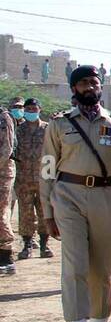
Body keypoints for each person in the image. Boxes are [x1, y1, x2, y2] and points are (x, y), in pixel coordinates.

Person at [38, 65, 111, 322]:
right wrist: (47, 212)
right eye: (83, 83)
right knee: (75, 267)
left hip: (106, 197)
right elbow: (46, 170)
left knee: (101, 267)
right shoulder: (59, 125)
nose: (90, 86)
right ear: (73, 89)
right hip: (68, 197)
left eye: (94, 82)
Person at [14, 98, 52, 261]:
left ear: (39, 109)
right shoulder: (18, 130)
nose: (30, 111)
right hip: (24, 179)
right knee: (26, 214)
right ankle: (27, 245)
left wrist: (51, 179)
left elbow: (52, 154)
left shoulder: (48, 129)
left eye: (33, 108)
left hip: (43, 179)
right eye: (27, 109)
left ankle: (44, 245)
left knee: (45, 213)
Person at [0, 101, 15, 276]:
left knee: (1, 212)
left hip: (3, 173)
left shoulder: (3, 117)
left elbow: (7, 148)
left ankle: (6, 256)